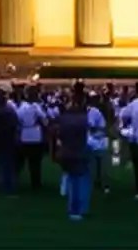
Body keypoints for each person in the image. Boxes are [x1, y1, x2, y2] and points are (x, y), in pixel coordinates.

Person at [56, 92, 92, 220]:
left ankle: (73, 208)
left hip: (66, 152)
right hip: (79, 152)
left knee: (71, 180)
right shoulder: (83, 119)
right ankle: (78, 210)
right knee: (80, 182)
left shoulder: (64, 118)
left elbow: (59, 135)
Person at [0, 89, 19, 196]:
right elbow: (15, 124)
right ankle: (9, 185)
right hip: (9, 139)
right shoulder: (10, 111)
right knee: (9, 164)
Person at [17, 87, 46, 191]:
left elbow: (18, 119)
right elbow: (44, 119)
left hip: (28, 135)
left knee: (27, 161)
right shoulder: (34, 106)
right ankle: (35, 183)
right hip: (33, 135)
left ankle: (19, 181)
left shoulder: (23, 106)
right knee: (34, 162)